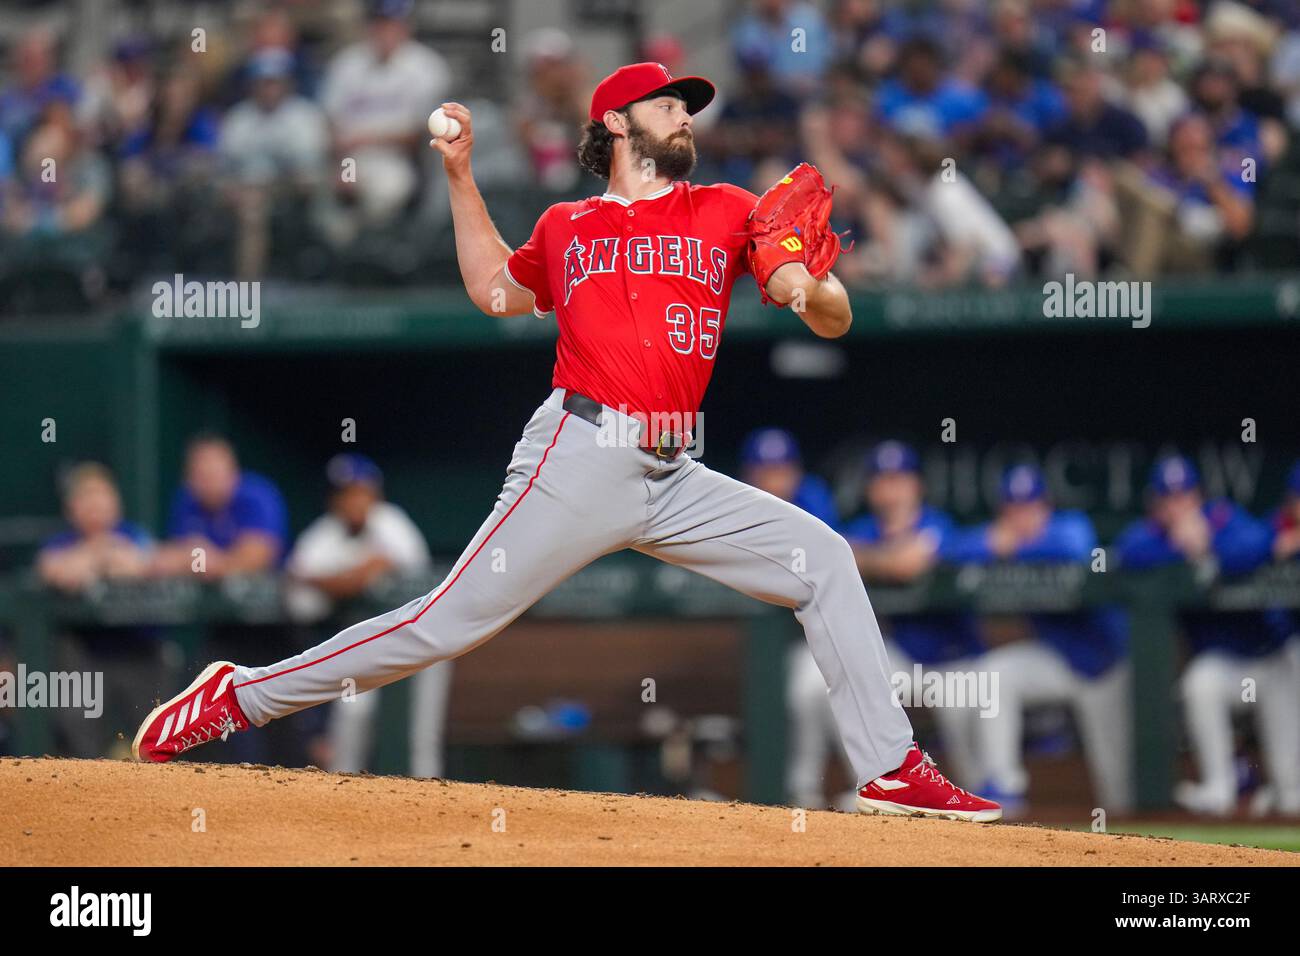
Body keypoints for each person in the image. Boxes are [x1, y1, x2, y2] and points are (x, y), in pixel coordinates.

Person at [133, 61, 1001, 823]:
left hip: (673, 468)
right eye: (668, 105)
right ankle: (239, 695)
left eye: (689, 106)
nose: (686, 117)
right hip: (579, 453)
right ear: (617, 123)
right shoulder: (567, 227)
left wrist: (807, 286)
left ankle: (888, 768)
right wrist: (462, 174)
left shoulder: (727, 209)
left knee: (825, 560)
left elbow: (836, 317)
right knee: (441, 626)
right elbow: (492, 291)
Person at [1116, 455, 1297, 816]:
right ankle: (1220, 786)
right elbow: (1127, 552)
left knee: (1292, 794)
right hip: (1223, 664)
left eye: (1184, 496)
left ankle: (1277, 791)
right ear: (1156, 504)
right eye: (1168, 499)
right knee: (1199, 683)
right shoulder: (1151, 536)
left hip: (1270, 656)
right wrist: (1177, 545)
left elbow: (1261, 544)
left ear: (1197, 495)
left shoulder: (1221, 517)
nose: (1178, 506)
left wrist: (1209, 543)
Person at [947, 463, 1131, 815]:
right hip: (1059, 660)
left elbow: (1074, 550)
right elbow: (953, 550)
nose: (1023, 516)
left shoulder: (1070, 527)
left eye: (1030, 506)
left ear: (1046, 506)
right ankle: (1004, 785)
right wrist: (992, 543)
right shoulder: (1000, 539)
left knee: (1118, 788)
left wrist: (1011, 545)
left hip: (1106, 666)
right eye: (1014, 508)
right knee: (992, 673)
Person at [285, 455, 450, 778]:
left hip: (425, 639)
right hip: (371, 642)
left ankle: (428, 802)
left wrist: (337, 580)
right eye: (347, 493)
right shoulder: (324, 535)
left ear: (375, 495)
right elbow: (298, 591)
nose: (356, 500)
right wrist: (353, 576)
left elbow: (390, 566)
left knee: (420, 733)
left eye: (362, 491)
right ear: (335, 499)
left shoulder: (391, 522)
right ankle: (341, 797)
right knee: (352, 714)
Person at [841, 441, 986, 790]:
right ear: (871, 489)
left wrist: (873, 559)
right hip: (906, 658)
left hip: (957, 660)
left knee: (966, 748)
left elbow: (908, 564)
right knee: (852, 678)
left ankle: (980, 800)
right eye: (883, 480)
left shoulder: (940, 523)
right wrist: (884, 556)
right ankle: (874, 785)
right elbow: (837, 548)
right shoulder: (864, 528)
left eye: (900, 479)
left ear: (917, 484)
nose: (892, 489)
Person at [731, 428, 842, 807]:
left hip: (811, 638)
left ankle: (808, 789)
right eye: (766, 470)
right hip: (756, 644)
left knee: (807, 687)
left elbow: (822, 553)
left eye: (782, 469)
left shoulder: (813, 498)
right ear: (750, 474)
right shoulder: (731, 503)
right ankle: (803, 790)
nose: (775, 479)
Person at [37, 464, 175, 758]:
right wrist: (99, 551)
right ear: (71, 508)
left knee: (155, 741)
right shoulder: (60, 542)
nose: (96, 506)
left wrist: (101, 560)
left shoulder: (134, 534)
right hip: (87, 655)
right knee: (82, 745)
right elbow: (58, 573)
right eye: (87, 498)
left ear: (116, 503)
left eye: (102, 497)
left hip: (140, 651)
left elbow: (141, 565)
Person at [151, 433, 288, 579]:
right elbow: (171, 559)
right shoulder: (186, 500)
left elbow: (255, 560)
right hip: (203, 595)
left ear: (233, 472)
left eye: (214, 474)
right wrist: (197, 559)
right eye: (201, 475)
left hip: (262, 594)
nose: (209, 484)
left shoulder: (257, 496)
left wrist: (204, 560)